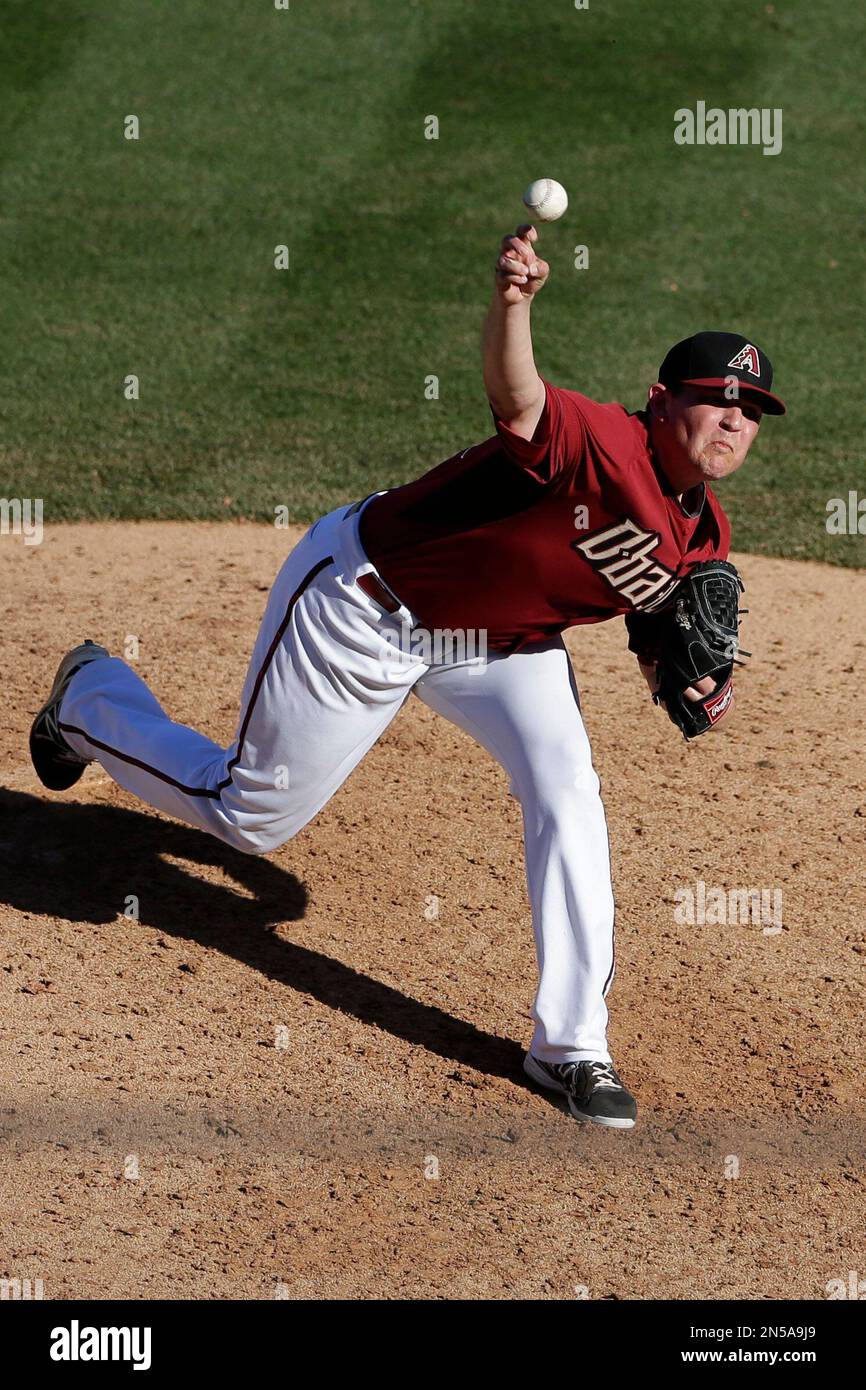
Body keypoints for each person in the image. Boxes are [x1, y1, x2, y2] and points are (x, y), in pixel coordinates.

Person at [30, 223, 785, 1129]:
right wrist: (515, 304)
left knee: (568, 789)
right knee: (251, 817)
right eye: (717, 400)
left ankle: (570, 1047)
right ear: (662, 402)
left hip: (492, 645)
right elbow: (516, 397)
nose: (737, 420)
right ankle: (88, 698)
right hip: (365, 608)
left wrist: (682, 671)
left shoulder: (705, 539)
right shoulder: (597, 439)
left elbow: (651, 617)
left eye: (752, 409)